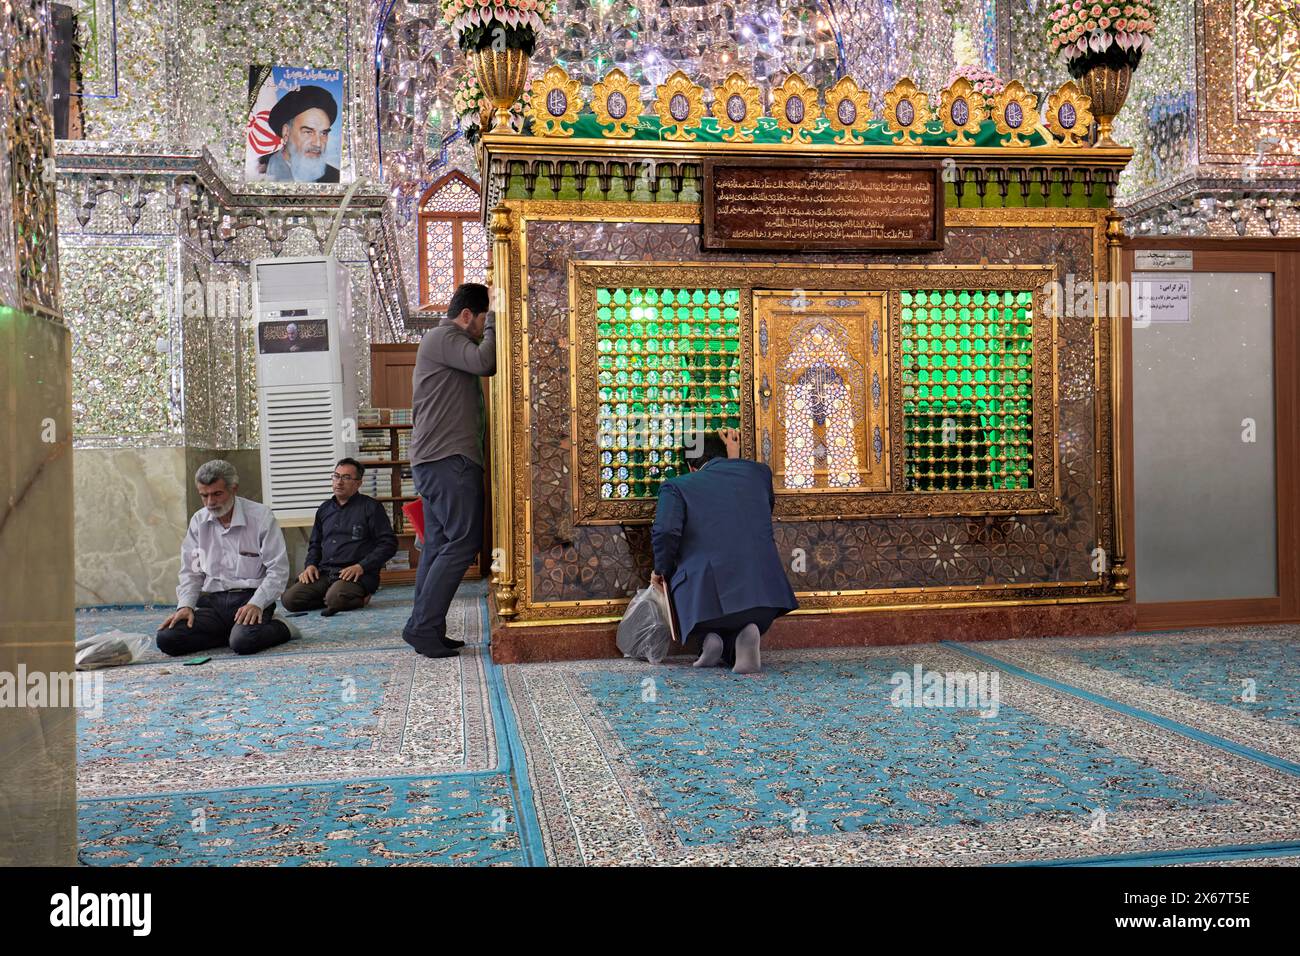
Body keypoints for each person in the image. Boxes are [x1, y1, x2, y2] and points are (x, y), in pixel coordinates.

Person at [651, 429, 798, 674]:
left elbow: (665, 532)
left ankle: (710, 640)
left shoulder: (676, 487)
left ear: (691, 466)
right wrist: (733, 458)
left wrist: (660, 571)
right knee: (739, 608)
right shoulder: (759, 474)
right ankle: (740, 639)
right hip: (764, 595)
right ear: (722, 454)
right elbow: (744, 505)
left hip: (705, 606)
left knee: (684, 570)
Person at [401, 282, 495, 658]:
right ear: (468, 315)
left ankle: (427, 628)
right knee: (461, 543)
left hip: (438, 459)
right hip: (447, 460)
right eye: (482, 320)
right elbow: (485, 363)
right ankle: (422, 626)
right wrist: (497, 321)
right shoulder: (445, 335)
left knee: (440, 545)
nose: (483, 329)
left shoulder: (442, 341)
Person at [156, 460, 295, 656]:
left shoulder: (261, 517)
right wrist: (185, 606)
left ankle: (281, 627)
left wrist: (257, 603)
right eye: (204, 496)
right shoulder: (199, 521)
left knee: (243, 642)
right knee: (167, 639)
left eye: (217, 494)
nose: (210, 502)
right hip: (214, 603)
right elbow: (191, 572)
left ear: (233, 489)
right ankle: (230, 633)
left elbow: (278, 571)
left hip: (250, 598)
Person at [280, 458, 398, 617]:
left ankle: (357, 598)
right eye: (336, 476)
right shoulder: (324, 509)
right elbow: (315, 544)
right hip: (325, 572)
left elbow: (389, 544)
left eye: (346, 478)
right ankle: (329, 597)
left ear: (358, 483)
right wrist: (310, 565)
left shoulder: (371, 507)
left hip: (356, 574)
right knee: (289, 600)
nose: (339, 482)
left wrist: (361, 566)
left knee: (335, 598)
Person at [259, 85, 340, 183]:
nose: (318, 143)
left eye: (323, 133)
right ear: (286, 132)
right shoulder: (258, 169)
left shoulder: (335, 177)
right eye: (308, 132)